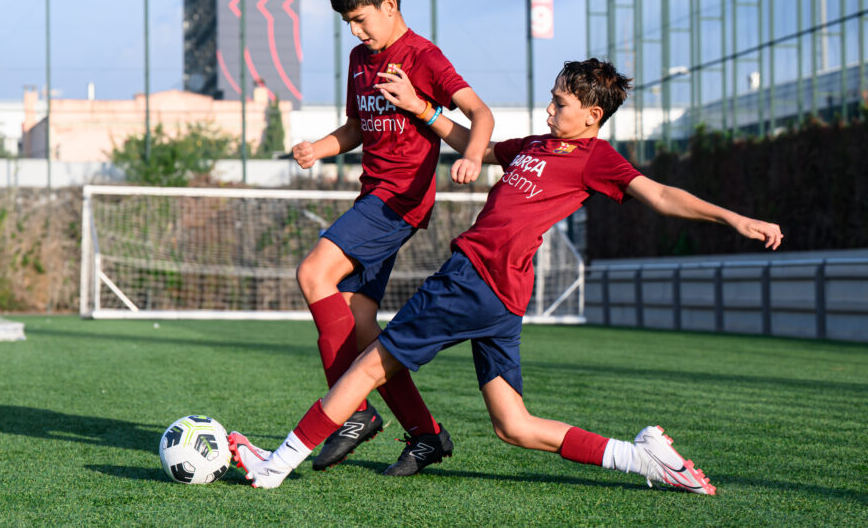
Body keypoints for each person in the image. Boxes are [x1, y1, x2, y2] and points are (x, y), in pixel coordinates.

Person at [229, 58, 783, 491]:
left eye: (560, 103)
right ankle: (644, 459)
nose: (549, 109)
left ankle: (274, 465)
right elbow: (479, 146)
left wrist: (734, 218)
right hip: (502, 296)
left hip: (471, 280)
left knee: (367, 366)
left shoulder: (596, 158)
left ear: (592, 115)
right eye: (552, 98)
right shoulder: (538, 144)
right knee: (512, 425)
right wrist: (421, 108)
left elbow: (659, 194)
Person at [291, 0, 495, 474]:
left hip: (398, 201)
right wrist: (318, 148)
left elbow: (481, 113)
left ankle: (353, 411)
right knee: (361, 327)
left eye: (361, 19)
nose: (356, 32)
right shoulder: (360, 59)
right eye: (348, 23)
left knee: (313, 274)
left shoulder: (423, 56)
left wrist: (472, 155)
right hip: (373, 197)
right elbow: (356, 129)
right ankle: (426, 435)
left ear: (390, 5)